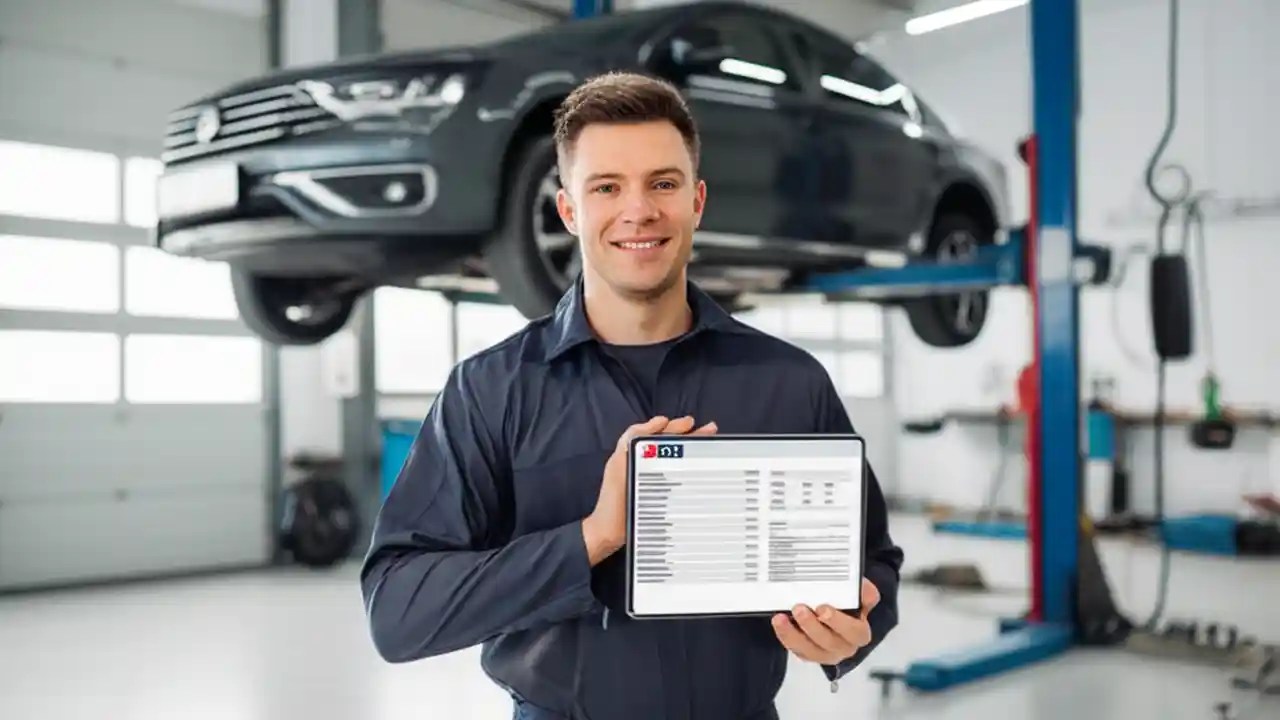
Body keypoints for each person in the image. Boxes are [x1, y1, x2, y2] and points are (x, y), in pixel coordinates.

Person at [361, 71, 904, 720]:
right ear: (568, 209)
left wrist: (855, 626)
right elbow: (398, 611)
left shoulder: (788, 382)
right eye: (606, 187)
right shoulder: (491, 390)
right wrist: (593, 537)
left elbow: (872, 562)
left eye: (663, 184)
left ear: (697, 201)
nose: (638, 211)